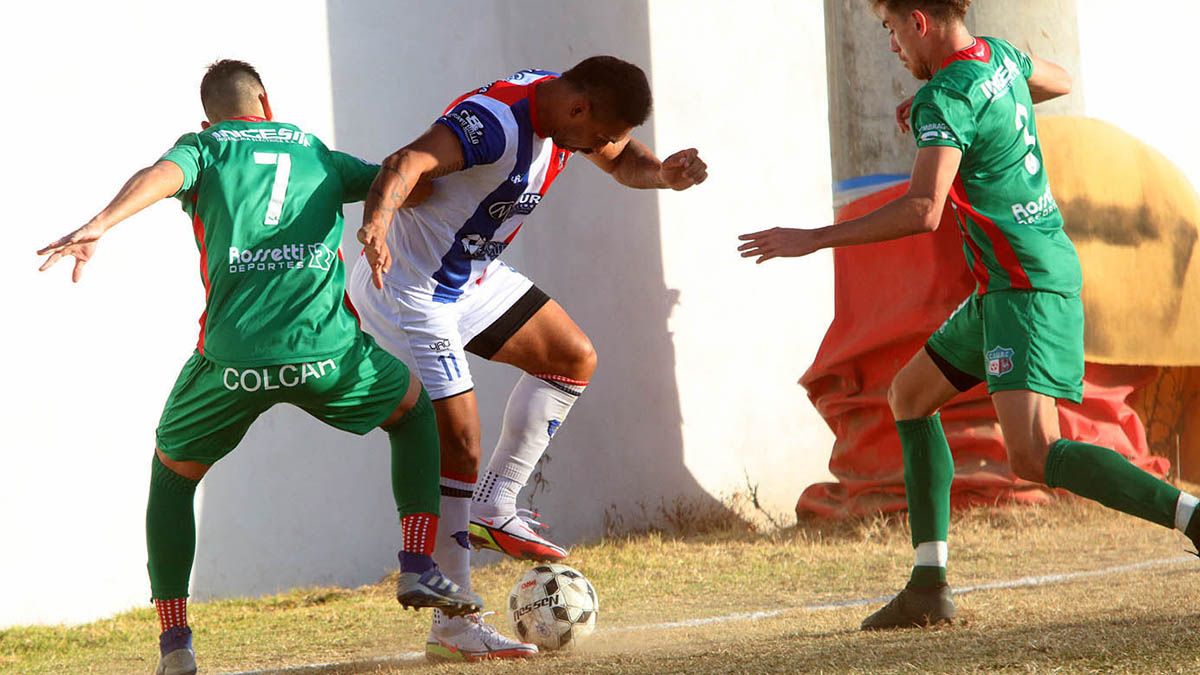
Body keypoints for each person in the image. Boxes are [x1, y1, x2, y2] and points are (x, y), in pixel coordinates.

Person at [738, 0, 1200, 630]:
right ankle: (928, 586)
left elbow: (923, 209)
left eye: (891, 30)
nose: (893, 46)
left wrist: (814, 239)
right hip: (1008, 283)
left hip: (1024, 287)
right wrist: (967, 109)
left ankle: (1193, 518)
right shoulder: (999, 58)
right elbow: (1058, 79)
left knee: (1034, 455)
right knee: (909, 397)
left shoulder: (945, 98)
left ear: (919, 21)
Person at [36, 59, 481, 675]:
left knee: (172, 478)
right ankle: (416, 563)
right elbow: (403, 181)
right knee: (411, 414)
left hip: (232, 364)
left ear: (208, 120)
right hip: (328, 356)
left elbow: (161, 176)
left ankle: (175, 643)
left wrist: (100, 224)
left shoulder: (205, 149)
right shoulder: (315, 151)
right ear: (266, 103)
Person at [349, 56, 707, 661]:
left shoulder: (566, 111)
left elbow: (623, 158)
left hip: (468, 279)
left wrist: (663, 175)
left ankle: (494, 505)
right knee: (460, 439)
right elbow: (405, 163)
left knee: (571, 357)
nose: (601, 148)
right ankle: (454, 627)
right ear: (578, 108)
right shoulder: (494, 123)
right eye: (598, 134)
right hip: (411, 289)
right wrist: (377, 226)